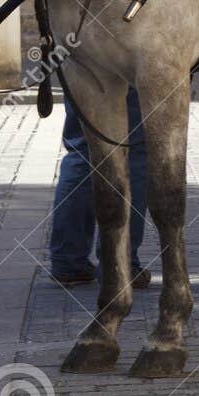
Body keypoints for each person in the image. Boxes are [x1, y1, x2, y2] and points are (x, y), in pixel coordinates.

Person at [49, 88, 152, 289]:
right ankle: (119, 264)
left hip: (77, 61)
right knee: (131, 149)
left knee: (82, 149)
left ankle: (68, 261)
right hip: (127, 67)